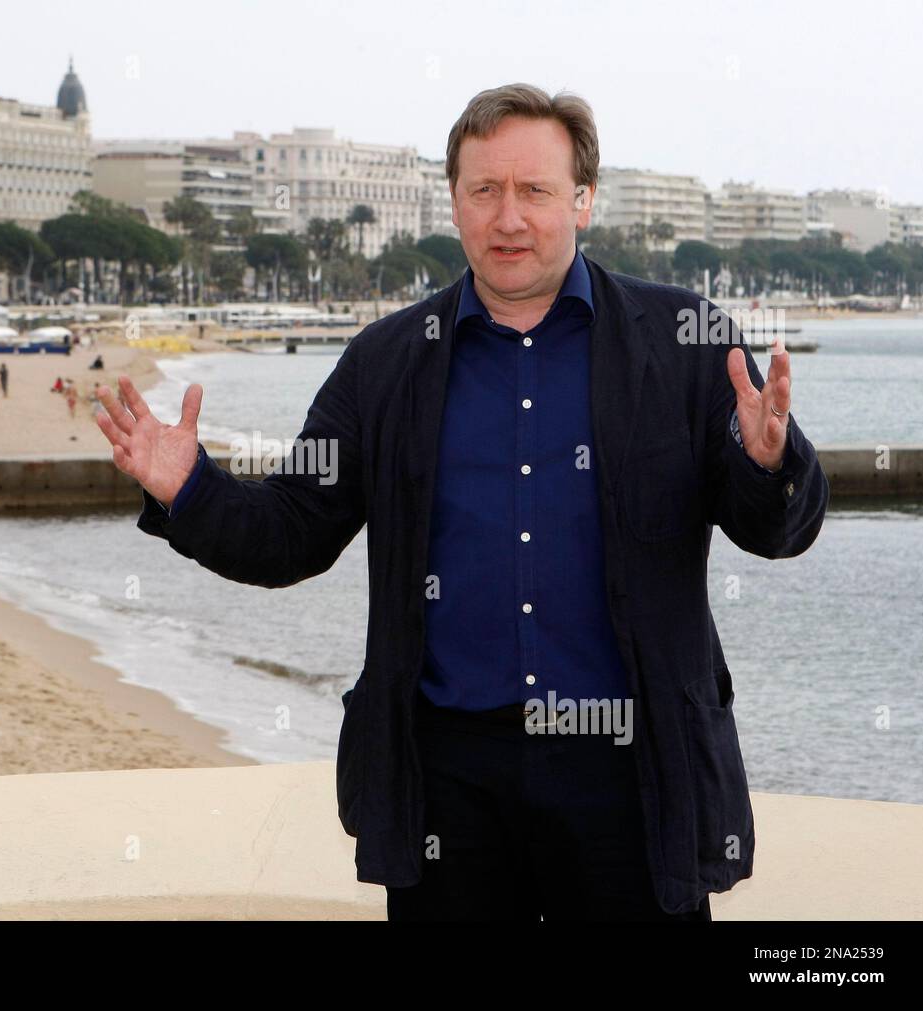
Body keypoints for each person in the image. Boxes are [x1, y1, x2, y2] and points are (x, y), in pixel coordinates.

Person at [94, 83, 830, 923]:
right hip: (446, 782)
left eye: (535, 191)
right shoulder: (387, 361)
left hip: (632, 767)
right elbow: (290, 533)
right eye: (484, 190)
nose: (507, 217)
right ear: (454, 202)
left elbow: (777, 529)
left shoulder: (684, 340)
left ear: (583, 200)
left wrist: (772, 460)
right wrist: (190, 487)